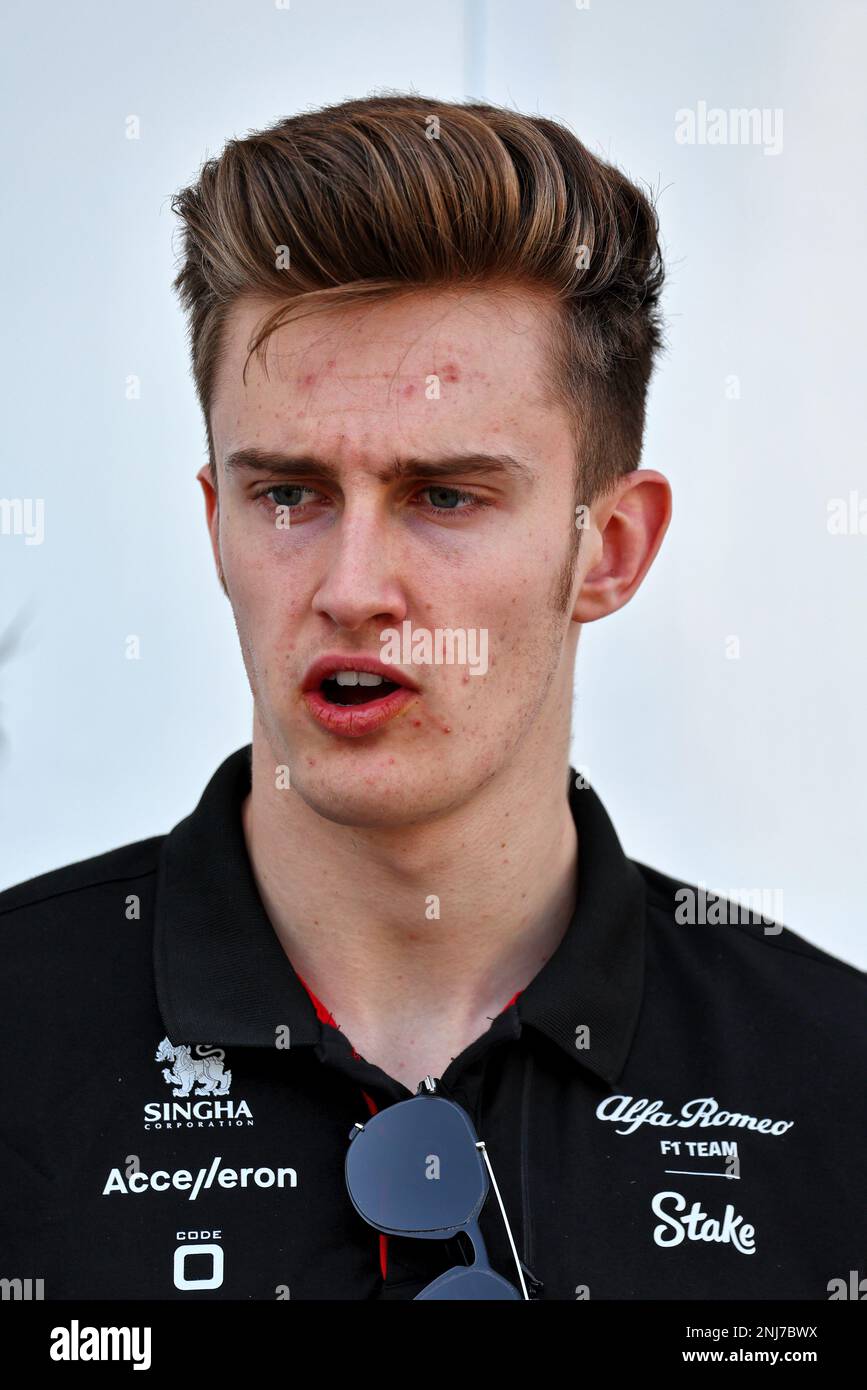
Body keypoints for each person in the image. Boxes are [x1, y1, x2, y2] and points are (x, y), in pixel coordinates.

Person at [1, 95, 863, 1302]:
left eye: (445, 496)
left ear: (609, 546)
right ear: (215, 527)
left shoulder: (834, 1083)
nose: (353, 589)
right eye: (289, 495)